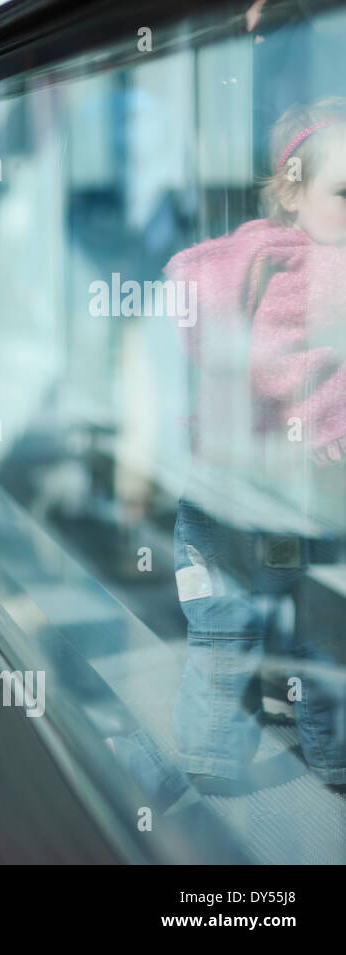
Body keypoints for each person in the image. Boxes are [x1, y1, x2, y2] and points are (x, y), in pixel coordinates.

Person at [164, 97, 346, 792]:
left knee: (266, 638)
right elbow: (197, 288)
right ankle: (258, 759)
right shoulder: (281, 259)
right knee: (275, 637)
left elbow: (192, 277)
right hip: (258, 500)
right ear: (293, 192)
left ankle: (287, 760)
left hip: (264, 496)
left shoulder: (257, 256)